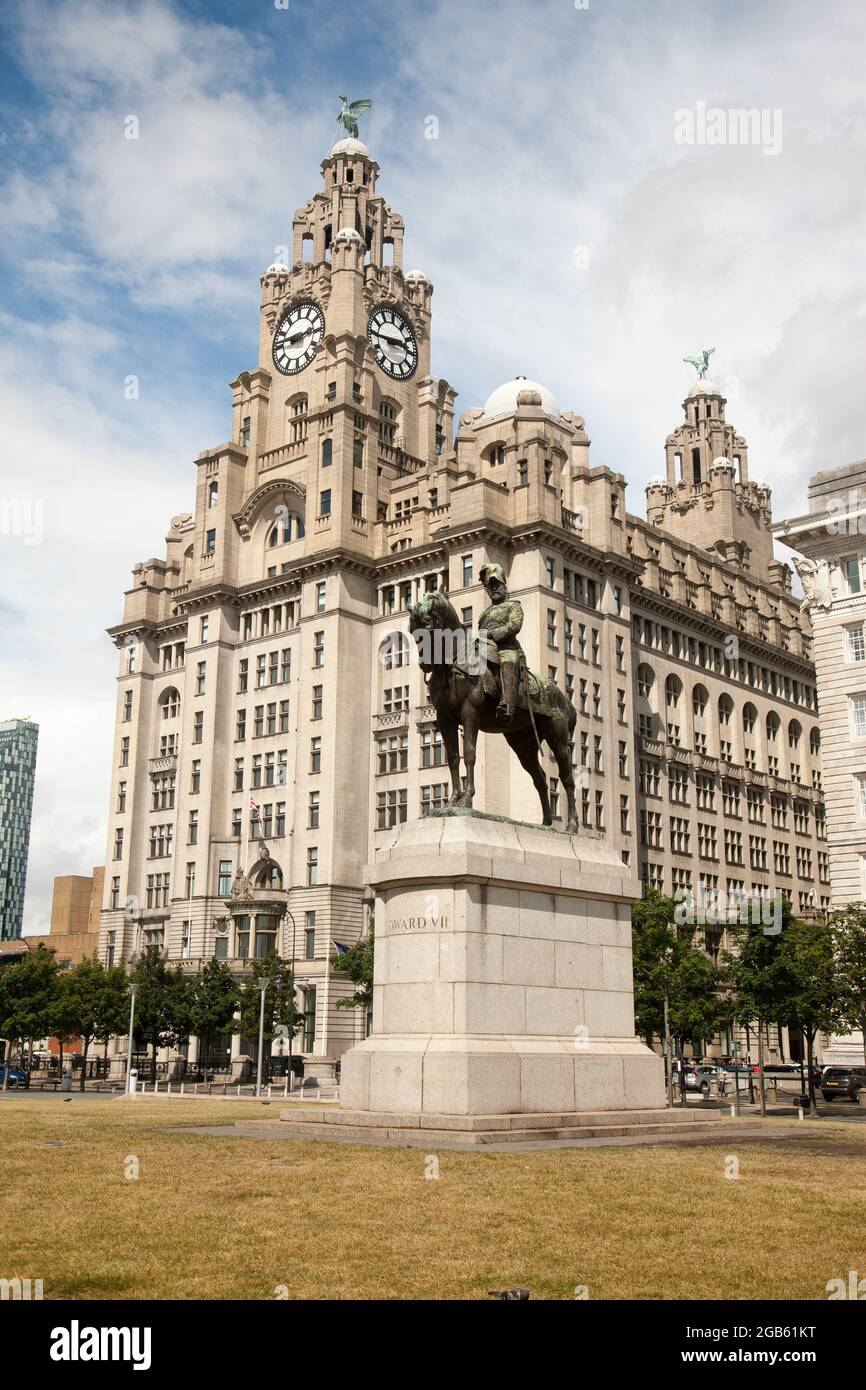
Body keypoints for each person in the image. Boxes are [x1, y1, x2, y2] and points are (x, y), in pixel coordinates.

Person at [477, 563, 524, 721]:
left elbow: (514, 625)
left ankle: (507, 706)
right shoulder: (485, 613)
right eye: (490, 586)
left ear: (504, 585)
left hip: (506, 647)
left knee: (508, 661)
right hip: (485, 648)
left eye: (497, 584)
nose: (494, 588)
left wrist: (492, 634)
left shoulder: (513, 606)